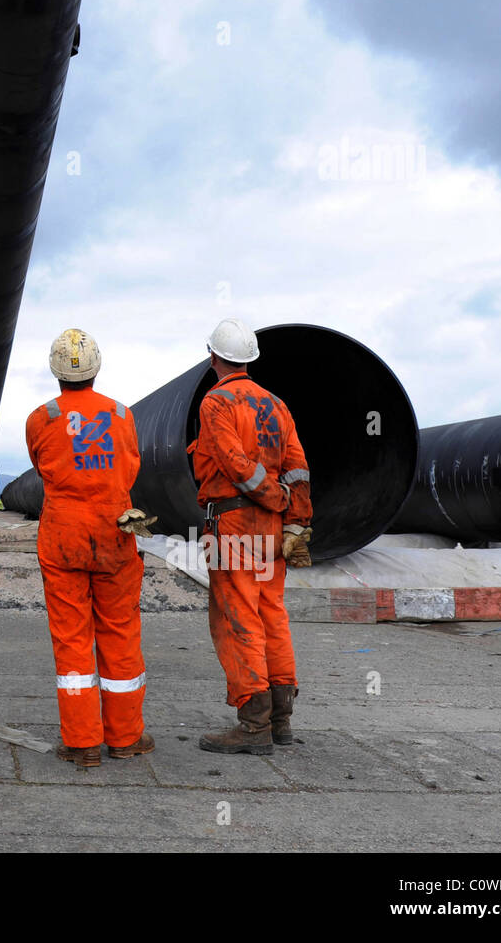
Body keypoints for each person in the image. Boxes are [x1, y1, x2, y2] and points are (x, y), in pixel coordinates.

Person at [25, 328, 148, 769]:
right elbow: (130, 469)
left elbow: (42, 466)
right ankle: (125, 738)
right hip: (115, 531)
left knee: (72, 637)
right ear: (97, 368)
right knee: (120, 633)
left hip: (63, 535)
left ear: (55, 371)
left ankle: (82, 743)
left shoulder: (41, 418)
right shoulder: (122, 415)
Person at [191, 318, 313, 755]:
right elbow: (297, 467)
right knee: (271, 614)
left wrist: (272, 497)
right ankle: (280, 720)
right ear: (250, 359)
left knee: (238, 617)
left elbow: (235, 463)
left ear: (213, 357)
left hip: (234, 526)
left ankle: (253, 724)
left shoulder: (216, 402)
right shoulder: (277, 404)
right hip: (272, 529)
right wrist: (296, 519)